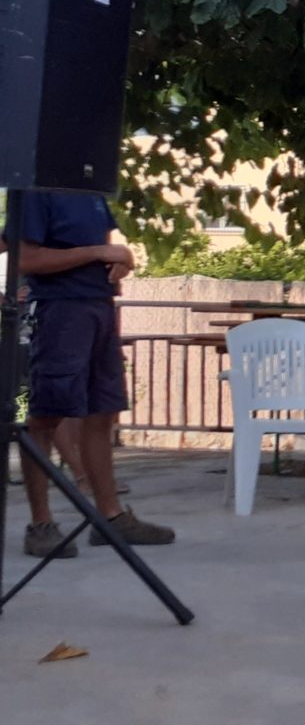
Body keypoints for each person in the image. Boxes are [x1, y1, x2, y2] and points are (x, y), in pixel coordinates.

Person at [9, 191, 175, 558]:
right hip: (59, 311)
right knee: (46, 416)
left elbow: (109, 249)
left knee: (103, 410)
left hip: (99, 308)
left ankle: (110, 517)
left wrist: (122, 262)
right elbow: (27, 258)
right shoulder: (38, 190)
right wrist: (98, 254)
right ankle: (40, 525)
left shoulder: (92, 191)